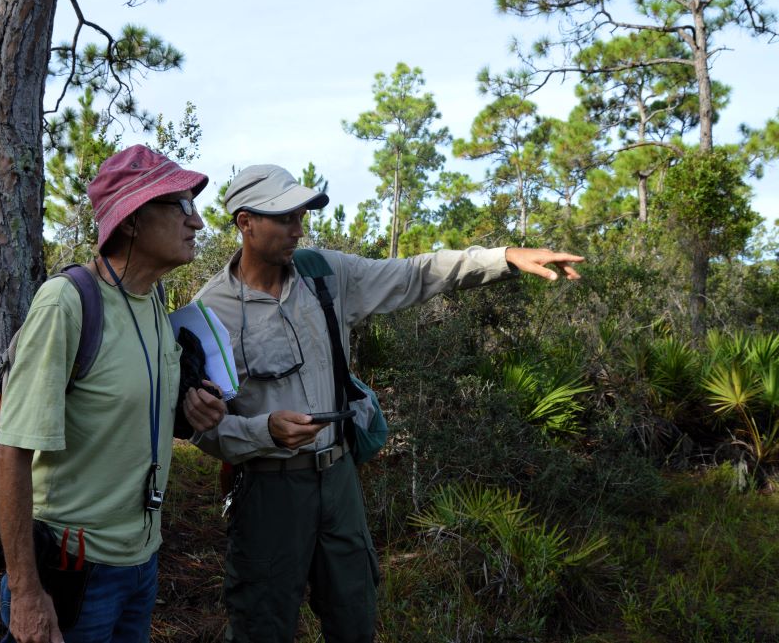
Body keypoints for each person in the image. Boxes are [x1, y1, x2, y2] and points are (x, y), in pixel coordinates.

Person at [191, 164, 584, 643]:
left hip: (338, 481)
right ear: (245, 222)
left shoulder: (325, 274)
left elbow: (415, 274)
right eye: (284, 217)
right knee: (262, 623)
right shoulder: (208, 313)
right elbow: (204, 429)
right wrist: (264, 432)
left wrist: (504, 257)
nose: (298, 229)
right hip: (268, 492)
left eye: (301, 215)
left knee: (355, 613)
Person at [0, 144, 227, 643]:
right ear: (131, 221)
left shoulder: (155, 302)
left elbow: (134, 412)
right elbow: (11, 452)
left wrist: (191, 410)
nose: (199, 222)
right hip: (73, 569)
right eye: (183, 205)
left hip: (141, 564)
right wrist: (28, 594)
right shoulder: (67, 303)